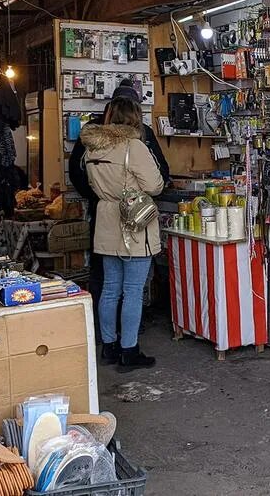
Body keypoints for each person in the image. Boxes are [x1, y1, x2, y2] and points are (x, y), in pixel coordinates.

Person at [68, 81, 170, 349]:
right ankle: (129, 349)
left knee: (110, 288)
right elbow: (155, 185)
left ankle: (109, 346)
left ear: (109, 113)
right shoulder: (134, 146)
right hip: (132, 221)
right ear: (136, 117)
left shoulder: (93, 147)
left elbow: (85, 181)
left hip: (104, 218)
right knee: (133, 291)